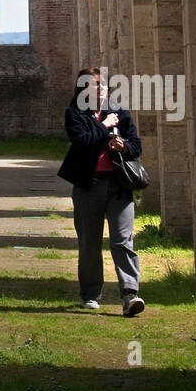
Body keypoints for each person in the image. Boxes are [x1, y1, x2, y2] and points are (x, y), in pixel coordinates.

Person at [57, 66, 145, 316]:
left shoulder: (119, 111)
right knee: (89, 243)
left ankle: (130, 294)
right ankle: (91, 293)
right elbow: (82, 141)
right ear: (84, 88)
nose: (102, 88)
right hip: (88, 185)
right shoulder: (75, 113)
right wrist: (105, 126)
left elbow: (136, 145)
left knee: (123, 240)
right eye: (96, 85)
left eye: (103, 85)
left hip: (119, 185)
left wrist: (124, 146)